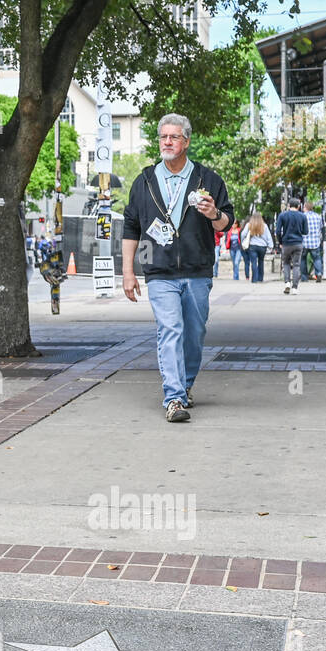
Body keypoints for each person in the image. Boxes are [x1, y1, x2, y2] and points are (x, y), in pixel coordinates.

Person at [122, 113, 233, 422]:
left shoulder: (207, 179)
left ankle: (184, 386)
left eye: (173, 137)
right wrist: (128, 272)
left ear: (186, 141)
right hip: (159, 271)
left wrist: (214, 214)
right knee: (170, 330)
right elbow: (131, 227)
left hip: (197, 270)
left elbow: (226, 222)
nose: (167, 142)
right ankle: (173, 398)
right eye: (163, 137)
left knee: (194, 334)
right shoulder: (144, 181)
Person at [276, 196, 308, 294]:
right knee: (296, 265)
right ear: (298, 206)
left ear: (289, 205)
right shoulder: (302, 216)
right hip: (298, 243)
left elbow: (277, 231)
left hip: (286, 243)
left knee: (285, 263)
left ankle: (287, 283)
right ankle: (295, 287)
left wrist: (280, 242)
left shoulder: (282, 216)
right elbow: (305, 231)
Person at [242, 213, 272, 283]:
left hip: (252, 246)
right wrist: (270, 245)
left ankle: (254, 279)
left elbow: (243, 234)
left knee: (254, 262)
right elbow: (268, 237)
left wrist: (243, 241)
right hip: (263, 246)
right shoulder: (264, 226)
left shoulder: (249, 225)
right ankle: (260, 278)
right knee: (261, 261)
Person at [301, 199, 324, 282]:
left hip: (304, 242)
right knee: (317, 259)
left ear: (305, 207)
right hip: (315, 242)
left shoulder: (302, 216)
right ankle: (319, 274)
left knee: (302, 259)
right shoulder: (318, 216)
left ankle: (304, 277)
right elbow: (320, 228)